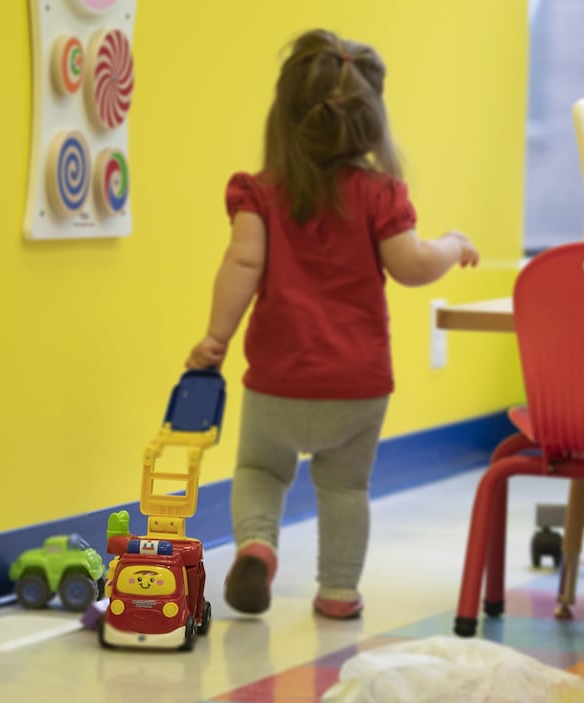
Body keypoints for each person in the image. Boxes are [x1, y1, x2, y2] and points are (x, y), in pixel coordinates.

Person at [185, 28, 479, 620]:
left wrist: (217, 337)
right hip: (358, 386)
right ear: (370, 120)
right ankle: (339, 593)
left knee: (260, 469)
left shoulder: (260, 194)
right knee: (344, 490)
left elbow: (241, 263)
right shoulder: (380, 194)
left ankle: (258, 547)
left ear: (285, 115)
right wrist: (451, 244)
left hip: (277, 380)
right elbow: (413, 266)